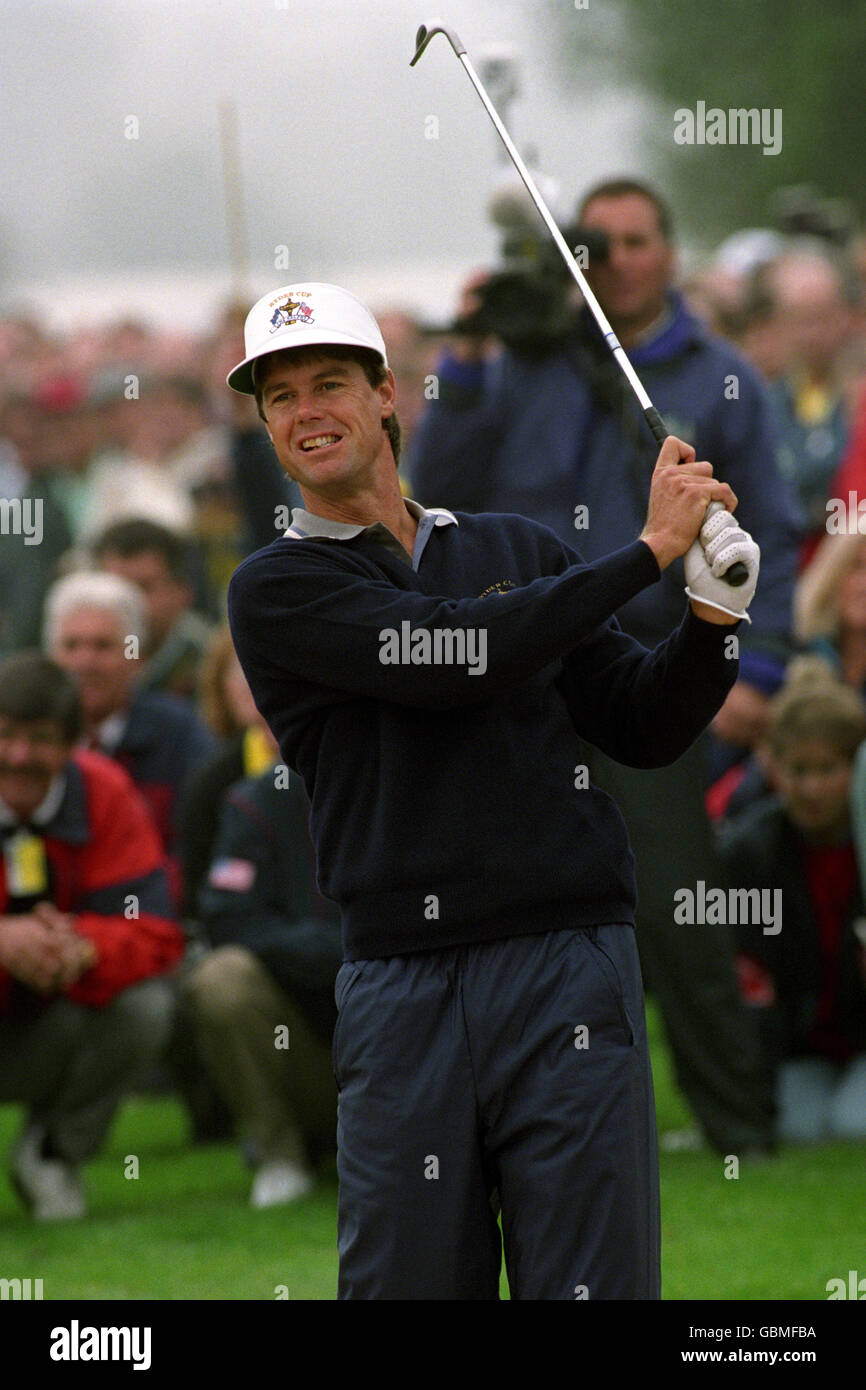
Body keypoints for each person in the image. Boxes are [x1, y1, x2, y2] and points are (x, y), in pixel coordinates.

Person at [225, 280, 760, 1300]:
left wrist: (707, 623)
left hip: (568, 961)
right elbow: (449, 654)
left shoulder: (515, 548)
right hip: (401, 980)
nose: (306, 412)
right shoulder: (276, 587)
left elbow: (639, 723)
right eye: (279, 396)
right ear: (264, 424)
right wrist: (645, 551)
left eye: (329, 382)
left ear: (388, 396)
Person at [410, 178, 797, 1157]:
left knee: (676, 904)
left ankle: (736, 1126)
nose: (616, 259)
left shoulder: (719, 377)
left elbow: (775, 538)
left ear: (668, 253)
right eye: (596, 243)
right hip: (516, 659)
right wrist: (462, 355)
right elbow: (435, 490)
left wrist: (753, 664)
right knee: (506, 907)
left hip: (643, 667)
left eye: (635, 241)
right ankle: (521, 1126)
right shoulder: (519, 363)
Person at [0, 653, 183, 1220]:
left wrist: (78, 946)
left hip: (44, 1030)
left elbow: (156, 930)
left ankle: (52, 1155)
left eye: (42, 739)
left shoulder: (105, 792)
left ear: (76, 743)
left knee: (148, 1007)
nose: (20, 756)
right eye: (5, 735)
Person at [720, 664, 866, 1142]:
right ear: (772, 766)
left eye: (828, 769)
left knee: (850, 1125)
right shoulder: (747, 852)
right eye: (798, 770)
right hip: (801, 1047)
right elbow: (747, 988)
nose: (812, 789)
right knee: (800, 1128)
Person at [187, 761, 342, 1207]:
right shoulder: (255, 800)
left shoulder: (410, 785)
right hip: (306, 1046)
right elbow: (227, 917)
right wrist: (341, 951)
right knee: (221, 978)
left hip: (399, 1041)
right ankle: (280, 1156)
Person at [44, 570, 216, 910]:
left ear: (137, 656)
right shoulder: (23, 741)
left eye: (103, 646)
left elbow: (195, 855)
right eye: (71, 645)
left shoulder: (183, 737)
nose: (85, 662)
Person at [92, 516, 214, 699]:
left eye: (143, 587)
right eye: (117, 587)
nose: (128, 601)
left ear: (182, 592)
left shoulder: (210, 664)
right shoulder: (83, 656)